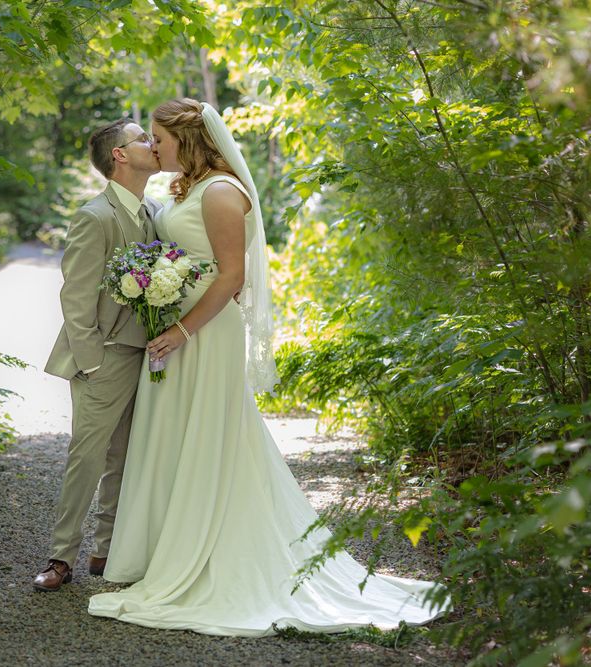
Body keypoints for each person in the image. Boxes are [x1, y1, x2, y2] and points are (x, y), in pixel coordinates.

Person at [87, 99, 449, 634]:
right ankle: (165, 550)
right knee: (173, 438)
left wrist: (181, 330)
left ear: (187, 140)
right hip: (177, 334)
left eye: (160, 138)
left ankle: (217, 553)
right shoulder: (184, 188)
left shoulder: (223, 191)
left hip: (205, 337)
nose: (155, 146)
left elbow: (232, 277)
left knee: (211, 439)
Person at [35, 119, 161, 591]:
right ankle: (61, 558)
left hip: (145, 357)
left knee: (125, 457)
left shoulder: (152, 210)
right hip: (104, 357)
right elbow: (76, 296)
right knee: (86, 457)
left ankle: (104, 552)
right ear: (121, 156)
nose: (152, 144)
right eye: (142, 139)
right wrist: (91, 360)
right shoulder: (95, 215)